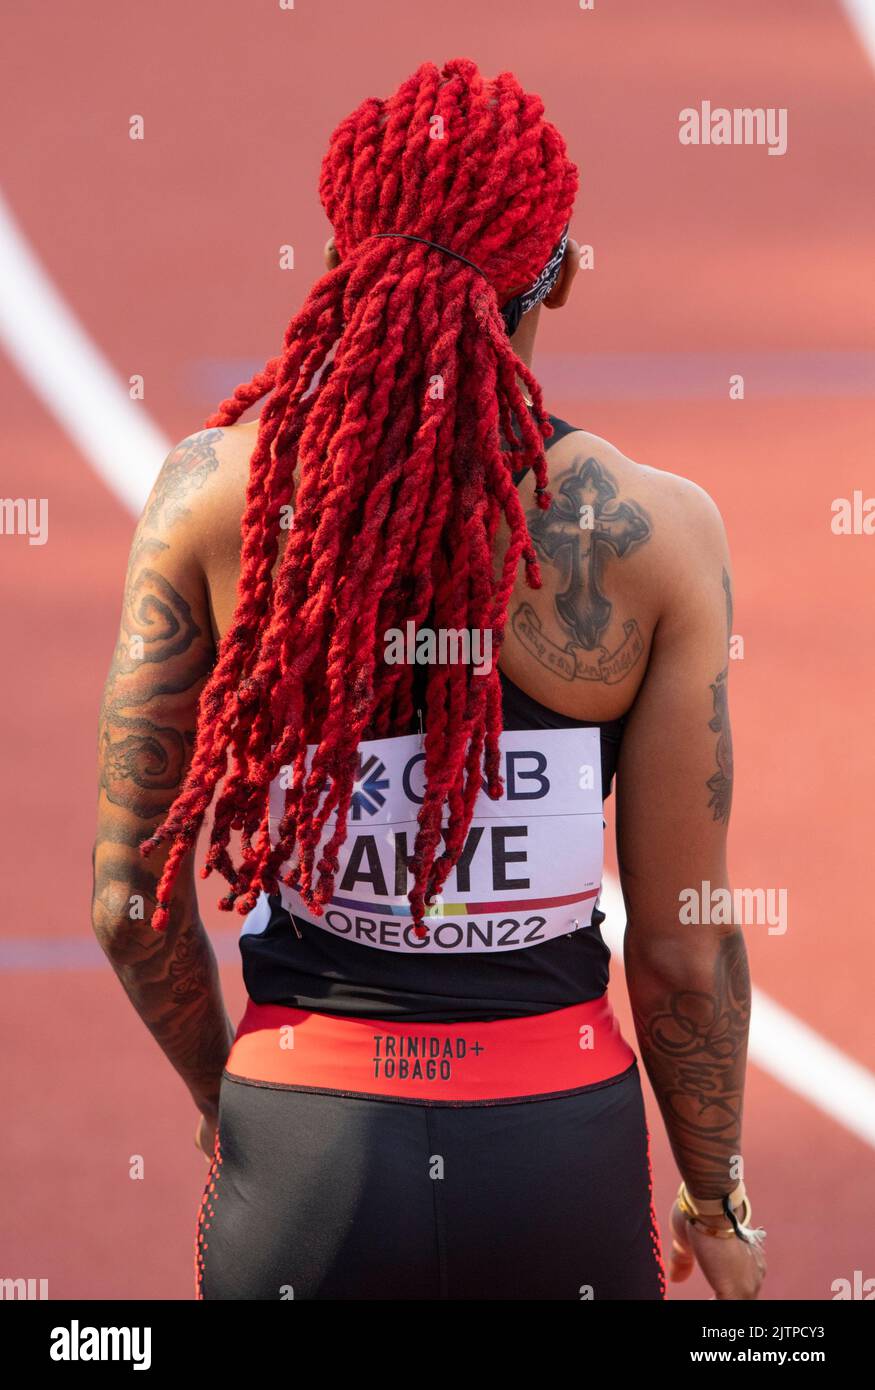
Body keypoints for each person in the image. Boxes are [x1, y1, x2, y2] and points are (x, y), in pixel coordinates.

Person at [92, 57, 766, 1300]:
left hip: (305, 1150)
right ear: (561, 271)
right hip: (557, 1153)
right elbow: (681, 947)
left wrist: (222, 1097)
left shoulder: (208, 499)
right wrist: (713, 1196)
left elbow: (129, 901)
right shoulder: (658, 538)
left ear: (337, 257)